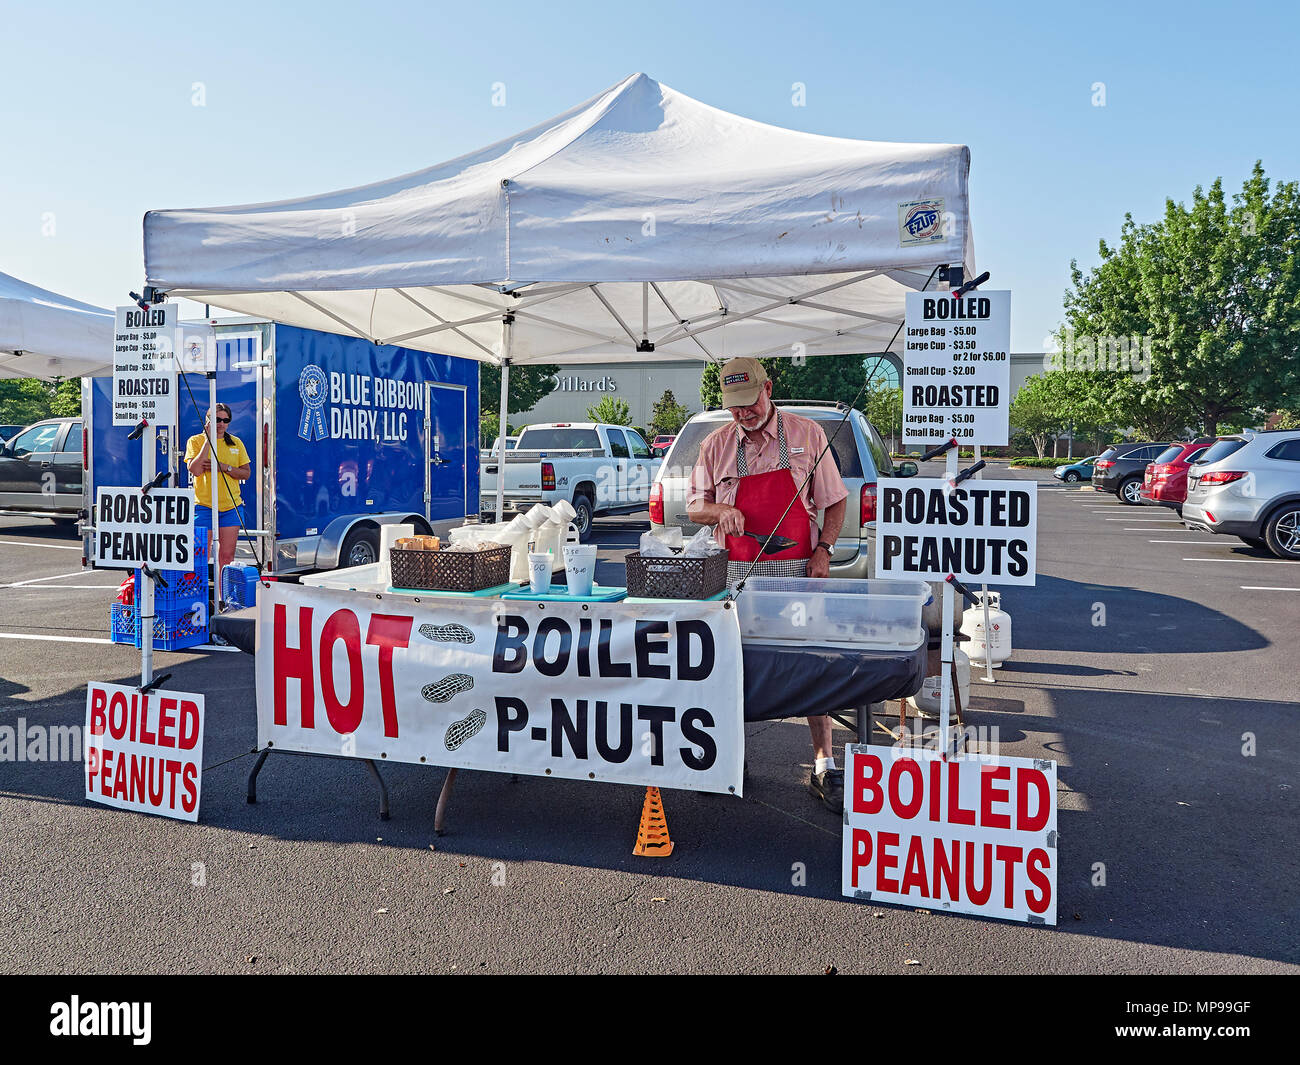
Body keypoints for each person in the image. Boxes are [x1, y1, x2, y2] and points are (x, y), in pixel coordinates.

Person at [686, 358, 850, 812]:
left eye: (750, 403)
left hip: (798, 570)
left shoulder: (808, 435)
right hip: (734, 574)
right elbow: (696, 505)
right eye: (734, 407)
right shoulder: (715, 445)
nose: (744, 414)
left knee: (808, 665)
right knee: (734, 668)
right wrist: (720, 512)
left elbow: (834, 503)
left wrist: (825, 551)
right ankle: (732, 760)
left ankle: (823, 765)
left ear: (769, 388)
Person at [184, 403, 251, 572]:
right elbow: (195, 470)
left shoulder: (236, 442)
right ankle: (199, 596)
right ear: (208, 420)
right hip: (204, 506)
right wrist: (208, 439)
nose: (221, 424)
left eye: (225, 420)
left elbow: (246, 473)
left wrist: (224, 467)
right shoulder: (195, 441)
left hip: (231, 507)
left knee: (227, 557)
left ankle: (224, 598)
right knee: (200, 556)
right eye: (217, 420)